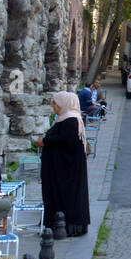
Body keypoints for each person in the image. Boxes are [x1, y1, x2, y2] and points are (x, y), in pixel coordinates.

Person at [35, 92, 91, 237]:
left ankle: (65, 226)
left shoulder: (70, 120)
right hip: (64, 170)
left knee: (65, 197)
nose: (54, 106)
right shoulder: (68, 119)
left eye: (55, 103)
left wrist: (45, 142)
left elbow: (64, 142)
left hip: (65, 172)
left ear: (63, 104)